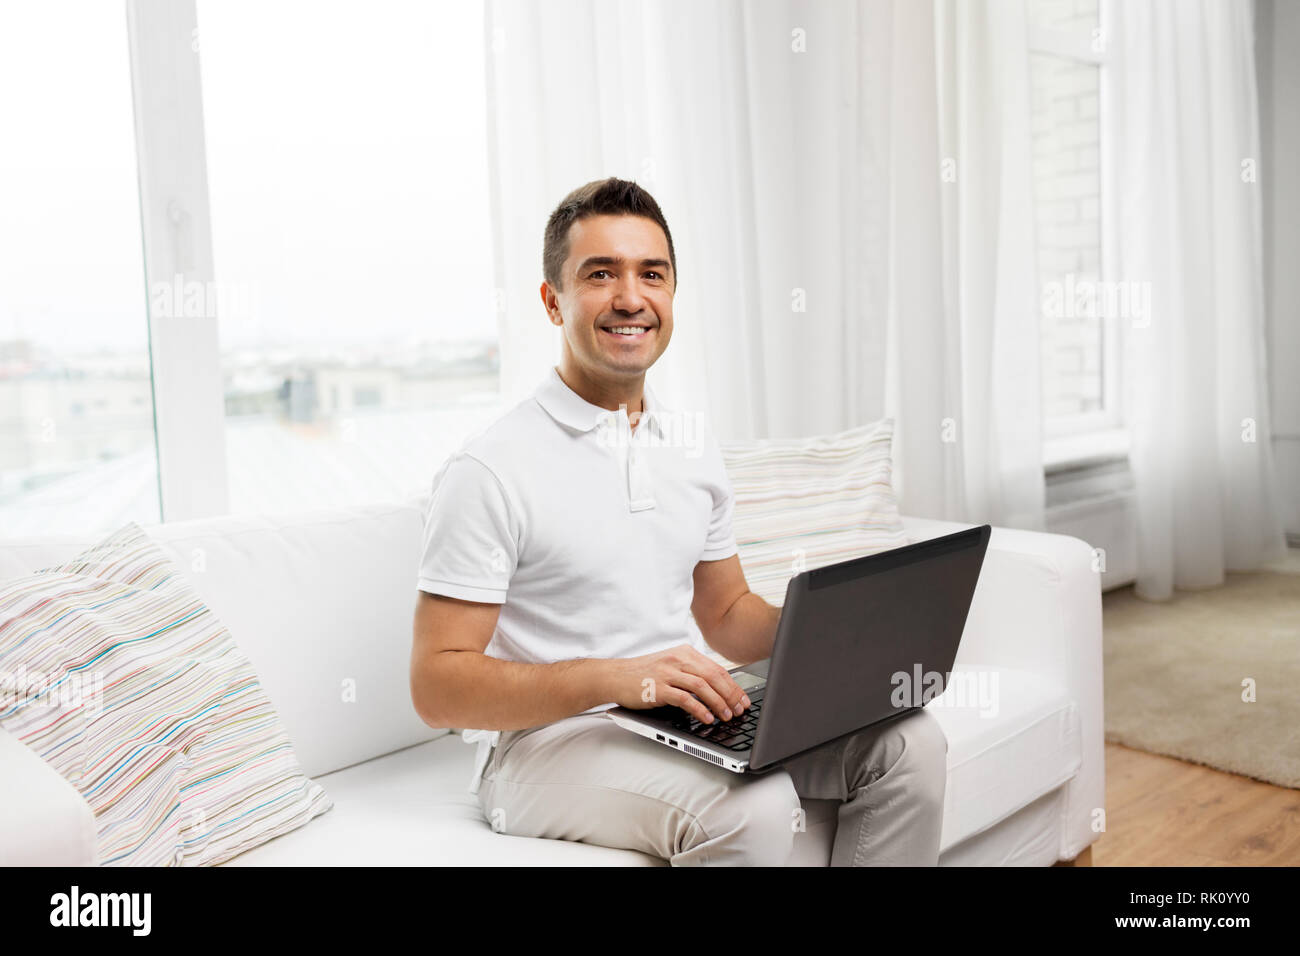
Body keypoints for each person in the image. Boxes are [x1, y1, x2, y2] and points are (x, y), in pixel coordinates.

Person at [409, 177, 947, 866]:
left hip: (676, 715)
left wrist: (827, 634)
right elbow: (437, 687)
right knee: (754, 807)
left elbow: (724, 614)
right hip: (548, 741)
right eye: (600, 274)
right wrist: (618, 678)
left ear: (670, 294)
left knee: (910, 743)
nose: (630, 297)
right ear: (553, 301)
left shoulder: (689, 444)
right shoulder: (489, 469)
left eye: (650, 274)